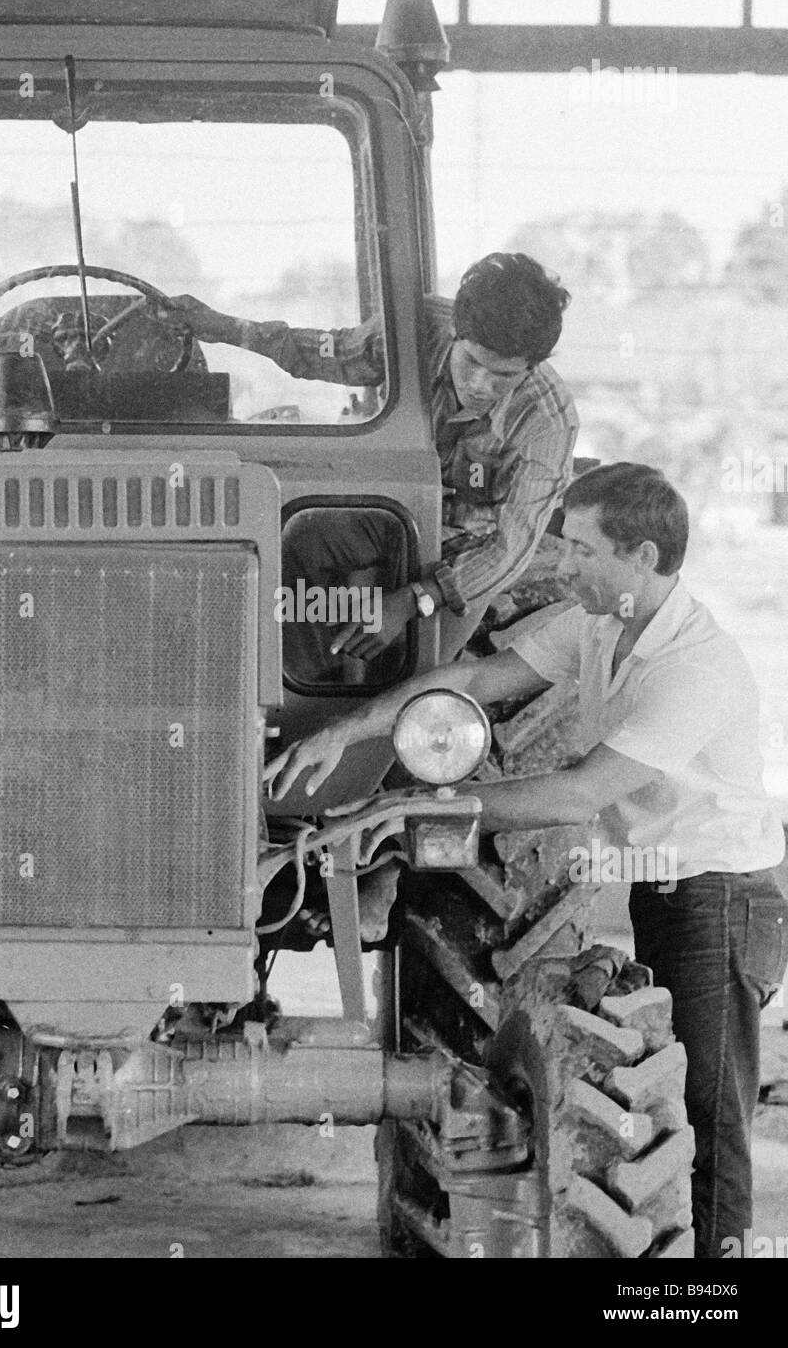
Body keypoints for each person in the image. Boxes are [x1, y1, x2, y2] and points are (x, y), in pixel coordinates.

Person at [264, 461, 788, 1259]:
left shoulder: (695, 668)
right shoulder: (601, 624)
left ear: (641, 558)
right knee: (675, 1107)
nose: (563, 563)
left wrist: (416, 806)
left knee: (710, 1127)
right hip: (669, 891)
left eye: (580, 549)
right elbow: (477, 678)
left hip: (721, 899)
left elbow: (580, 794)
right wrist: (350, 730)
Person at [171, 252, 578, 674]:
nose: (480, 385)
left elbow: (509, 549)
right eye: (472, 362)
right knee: (300, 538)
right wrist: (227, 328)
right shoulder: (415, 330)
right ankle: (275, 685)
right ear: (456, 331)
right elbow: (331, 354)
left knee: (415, 686)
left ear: (532, 367)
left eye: (503, 377)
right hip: (386, 517)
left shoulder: (548, 422)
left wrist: (414, 599)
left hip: (464, 553)